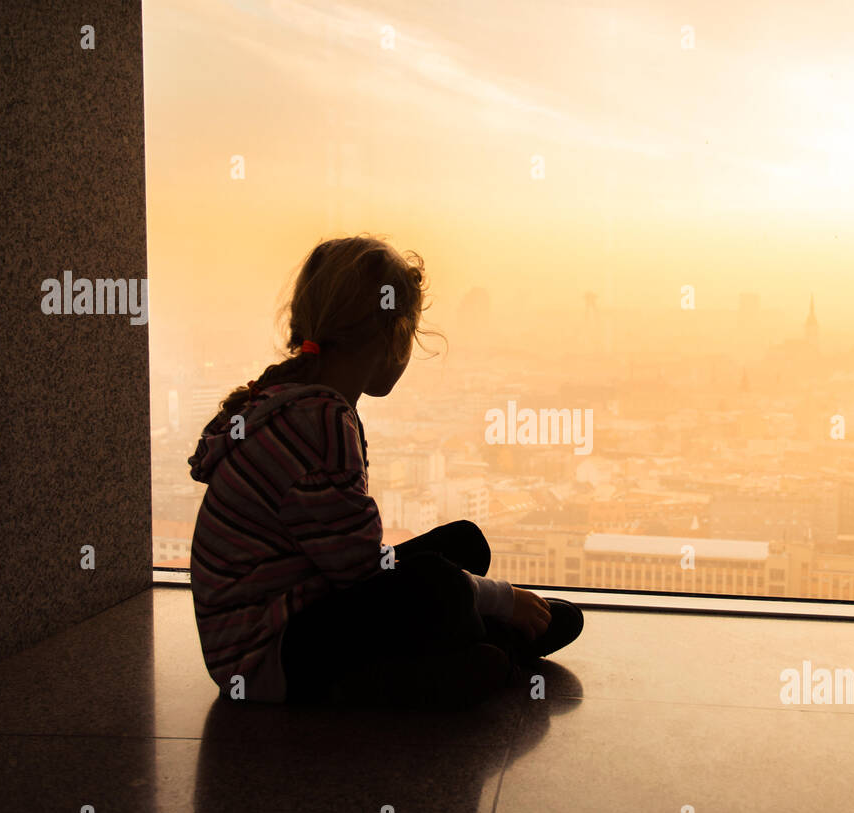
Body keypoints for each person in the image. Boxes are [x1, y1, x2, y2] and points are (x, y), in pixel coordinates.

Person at [186, 234, 583, 709]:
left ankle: (483, 642)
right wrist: (498, 598)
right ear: (394, 337)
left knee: (463, 544)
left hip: (286, 620)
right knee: (438, 585)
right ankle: (459, 654)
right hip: (269, 659)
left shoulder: (293, 401)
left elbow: (349, 563)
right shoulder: (322, 421)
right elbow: (362, 573)